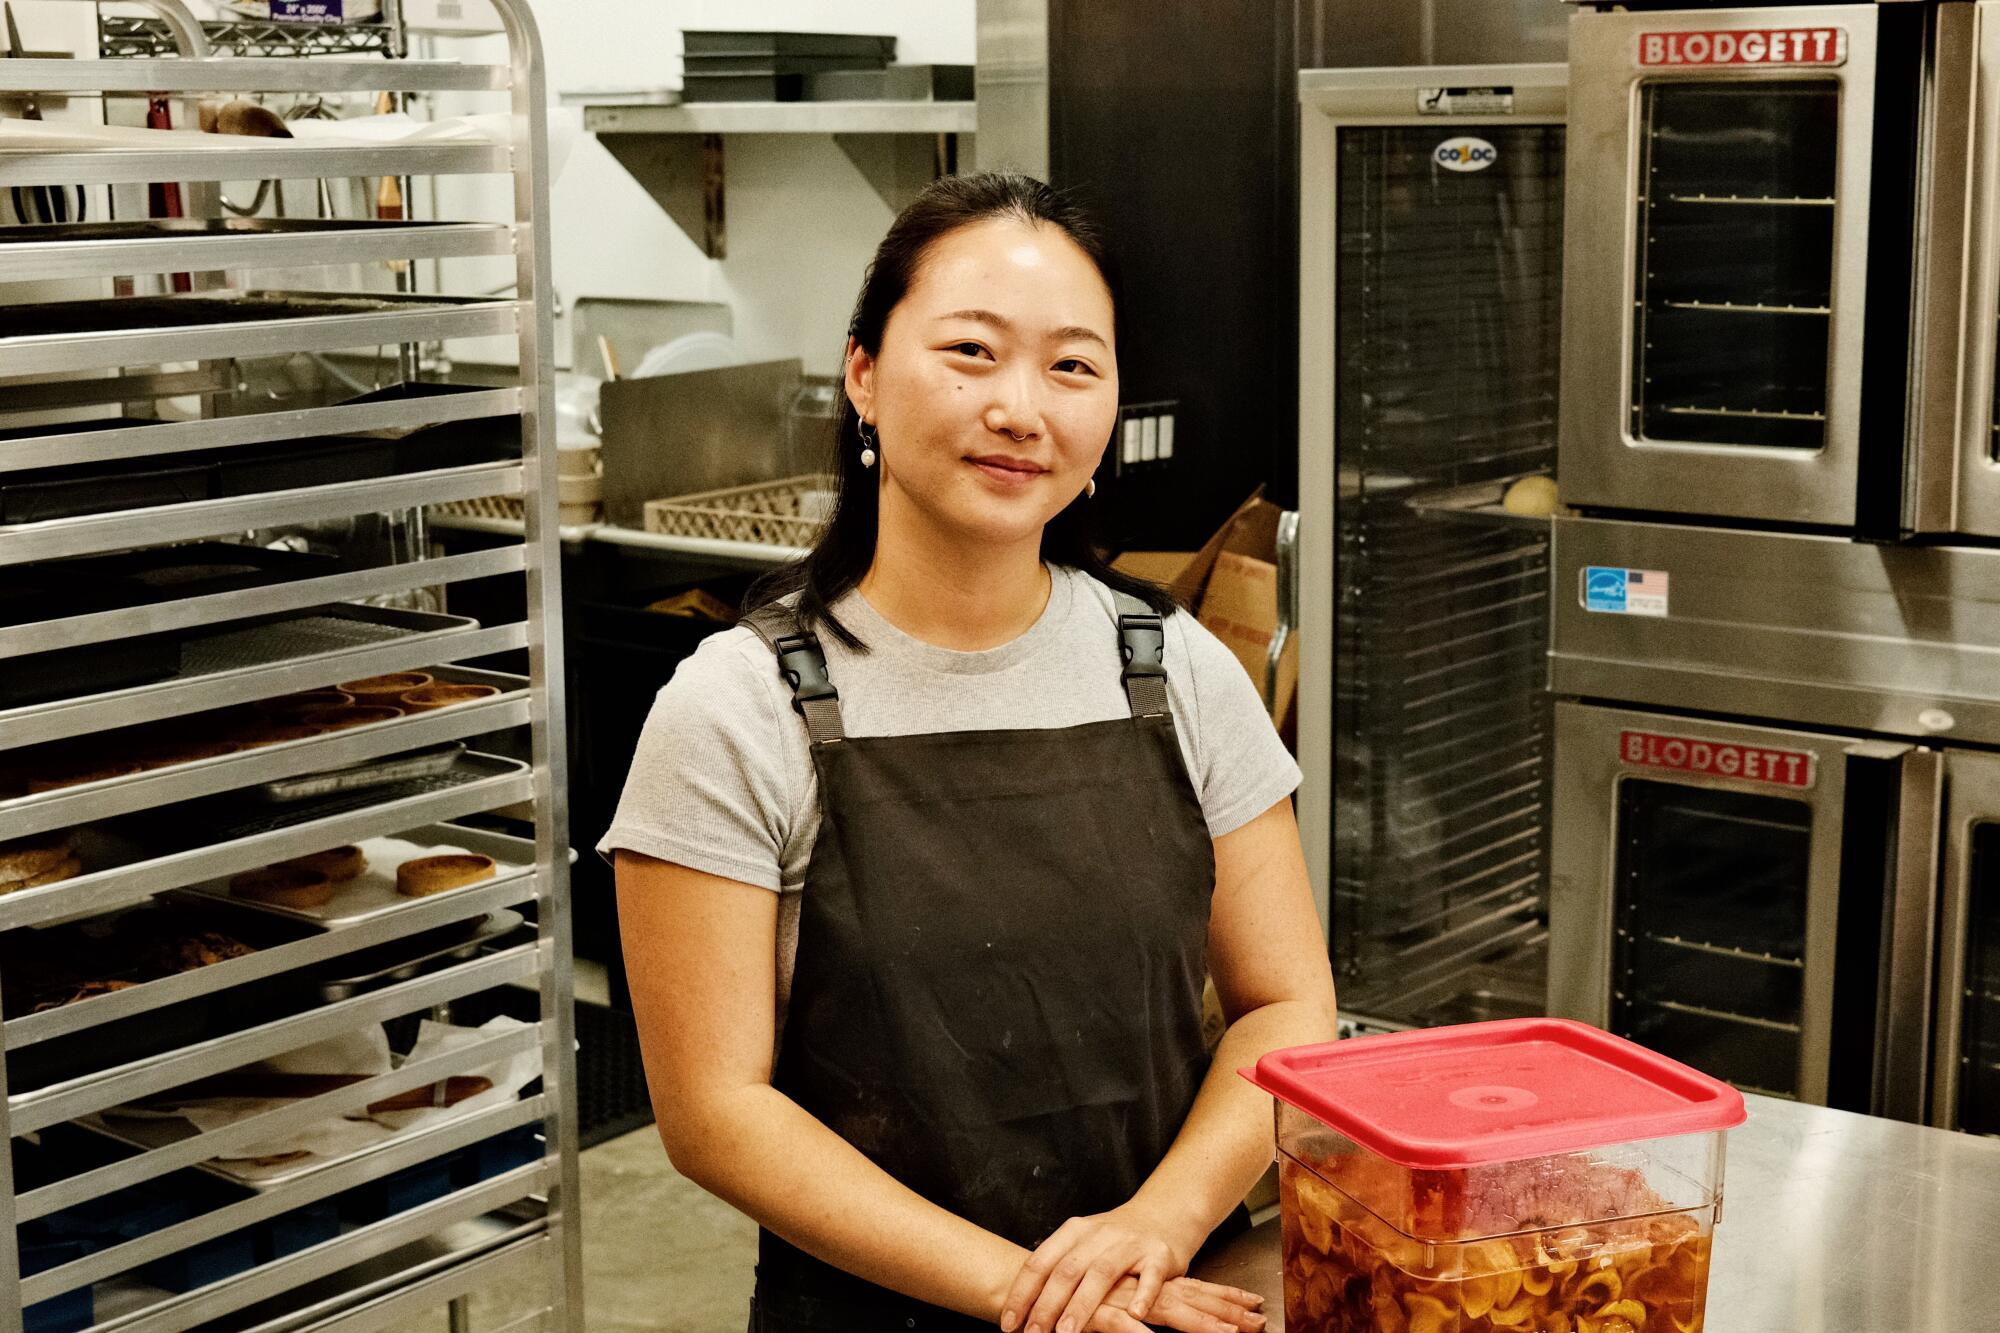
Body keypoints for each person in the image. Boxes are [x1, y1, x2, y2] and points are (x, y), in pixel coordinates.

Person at [602, 171, 1338, 1333]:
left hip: (1162, 1301)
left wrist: (1153, 1228)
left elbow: (1287, 1003)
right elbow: (713, 1110)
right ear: (862, 377)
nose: (1019, 407)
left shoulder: (1178, 670)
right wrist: (1036, 1298)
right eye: (969, 351)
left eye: (1071, 366)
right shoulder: (737, 708)